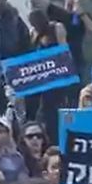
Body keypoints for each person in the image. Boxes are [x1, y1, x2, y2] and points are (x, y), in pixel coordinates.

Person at [31, 0, 92, 84]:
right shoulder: (58, 12)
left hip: (77, 63)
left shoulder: (83, 16)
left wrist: (81, 14)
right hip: (57, 64)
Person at [25, 10, 69, 143]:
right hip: (41, 77)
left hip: (56, 75)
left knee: (53, 109)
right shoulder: (34, 34)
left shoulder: (56, 28)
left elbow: (64, 49)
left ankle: (56, 139)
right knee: (39, 109)